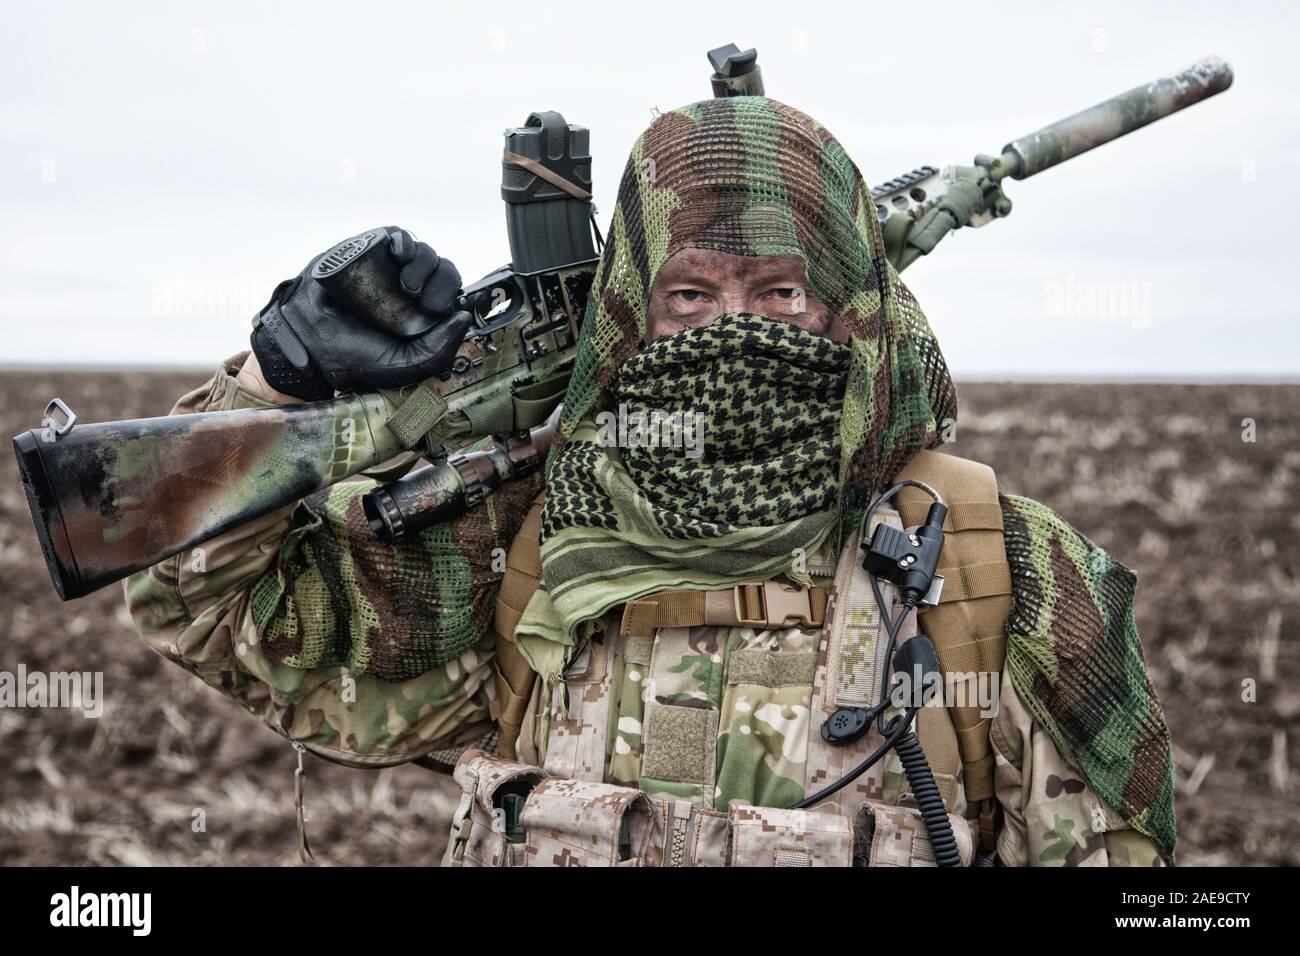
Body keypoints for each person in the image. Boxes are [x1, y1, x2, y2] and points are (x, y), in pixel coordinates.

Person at [127, 94, 1174, 867]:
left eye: (779, 290)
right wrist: (275, 384)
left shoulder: (1001, 567)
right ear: (629, 312)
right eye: (689, 293)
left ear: (851, 310)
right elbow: (200, 598)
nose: (735, 330)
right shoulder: (529, 546)